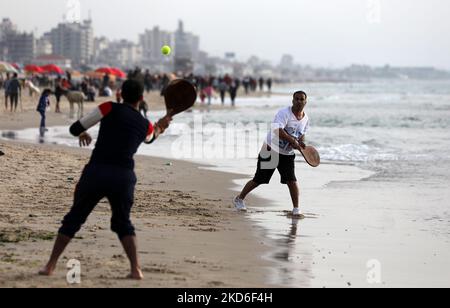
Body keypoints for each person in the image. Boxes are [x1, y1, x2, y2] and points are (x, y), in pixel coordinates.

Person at [39, 80, 172, 280]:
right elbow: (151, 137)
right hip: (124, 177)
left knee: (74, 218)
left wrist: (83, 132)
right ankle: (136, 269)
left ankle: (50, 265)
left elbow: (75, 127)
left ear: (120, 94)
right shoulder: (144, 124)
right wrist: (161, 126)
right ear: (141, 99)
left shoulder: (108, 107)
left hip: (97, 171)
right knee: (123, 223)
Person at [233, 91, 310, 217]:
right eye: (296, 99)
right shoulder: (284, 113)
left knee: (292, 180)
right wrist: (292, 140)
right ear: (292, 101)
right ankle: (239, 199)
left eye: (302, 99)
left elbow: (302, 134)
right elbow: (277, 130)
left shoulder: (306, 119)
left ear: (305, 102)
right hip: (270, 150)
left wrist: (301, 143)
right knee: (259, 179)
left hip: (287, 154)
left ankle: (296, 209)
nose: (299, 101)